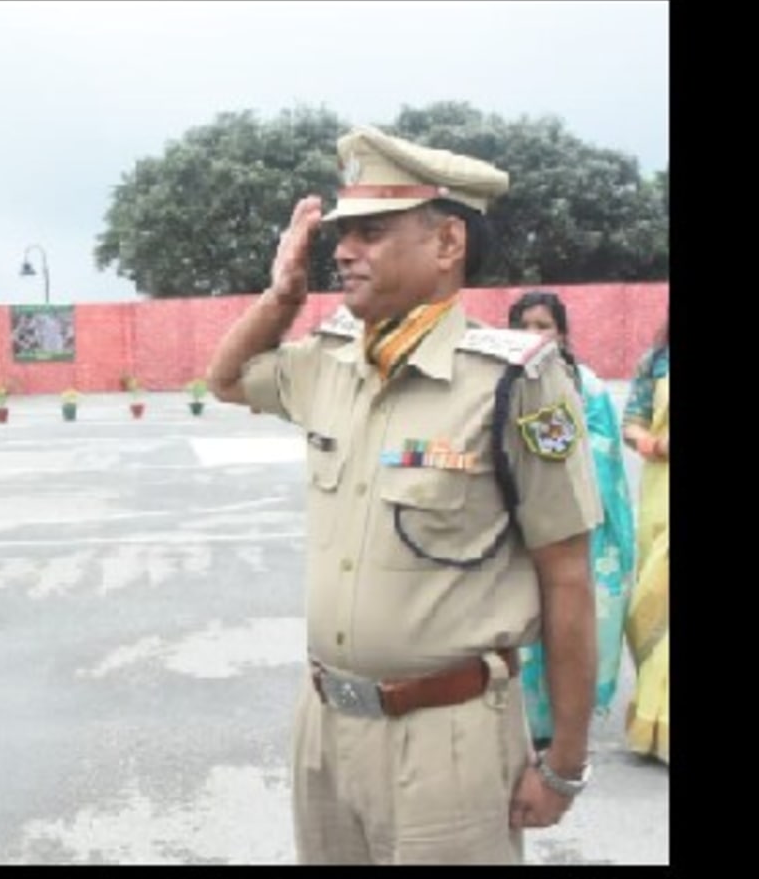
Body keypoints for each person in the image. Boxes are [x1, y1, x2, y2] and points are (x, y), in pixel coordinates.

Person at [204, 126, 602, 864]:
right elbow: (226, 380)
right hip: (325, 725)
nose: (344, 250)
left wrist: (564, 762)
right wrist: (281, 294)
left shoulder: (513, 381)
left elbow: (568, 577)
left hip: (449, 740)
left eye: (371, 232)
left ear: (447, 243)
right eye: (342, 234)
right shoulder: (329, 362)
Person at [506, 291, 636, 751]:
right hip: (517, 526)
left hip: (581, 527)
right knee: (523, 617)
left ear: (561, 332)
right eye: (524, 325)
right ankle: (526, 715)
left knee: (571, 619)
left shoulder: (590, 386)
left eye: (543, 325)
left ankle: (566, 721)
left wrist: (559, 466)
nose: (534, 335)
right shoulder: (500, 383)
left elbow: (605, 457)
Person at [621, 318, 669, 764]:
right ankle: (651, 725)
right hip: (660, 496)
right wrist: (654, 444)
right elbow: (630, 423)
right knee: (649, 610)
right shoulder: (655, 362)